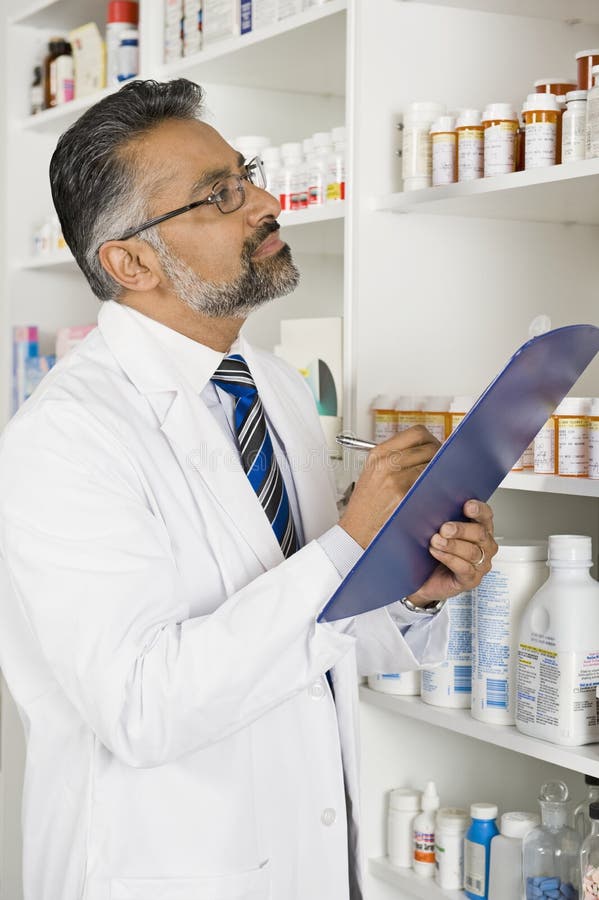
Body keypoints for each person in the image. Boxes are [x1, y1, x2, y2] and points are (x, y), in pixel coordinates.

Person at [0, 79, 497, 900]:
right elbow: (141, 709)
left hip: (301, 854)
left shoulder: (270, 386)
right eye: (219, 195)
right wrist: (349, 542)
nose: (265, 204)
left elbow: (312, 635)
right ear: (130, 262)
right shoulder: (63, 439)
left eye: (247, 175)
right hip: (163, 869)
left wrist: (411, 590)